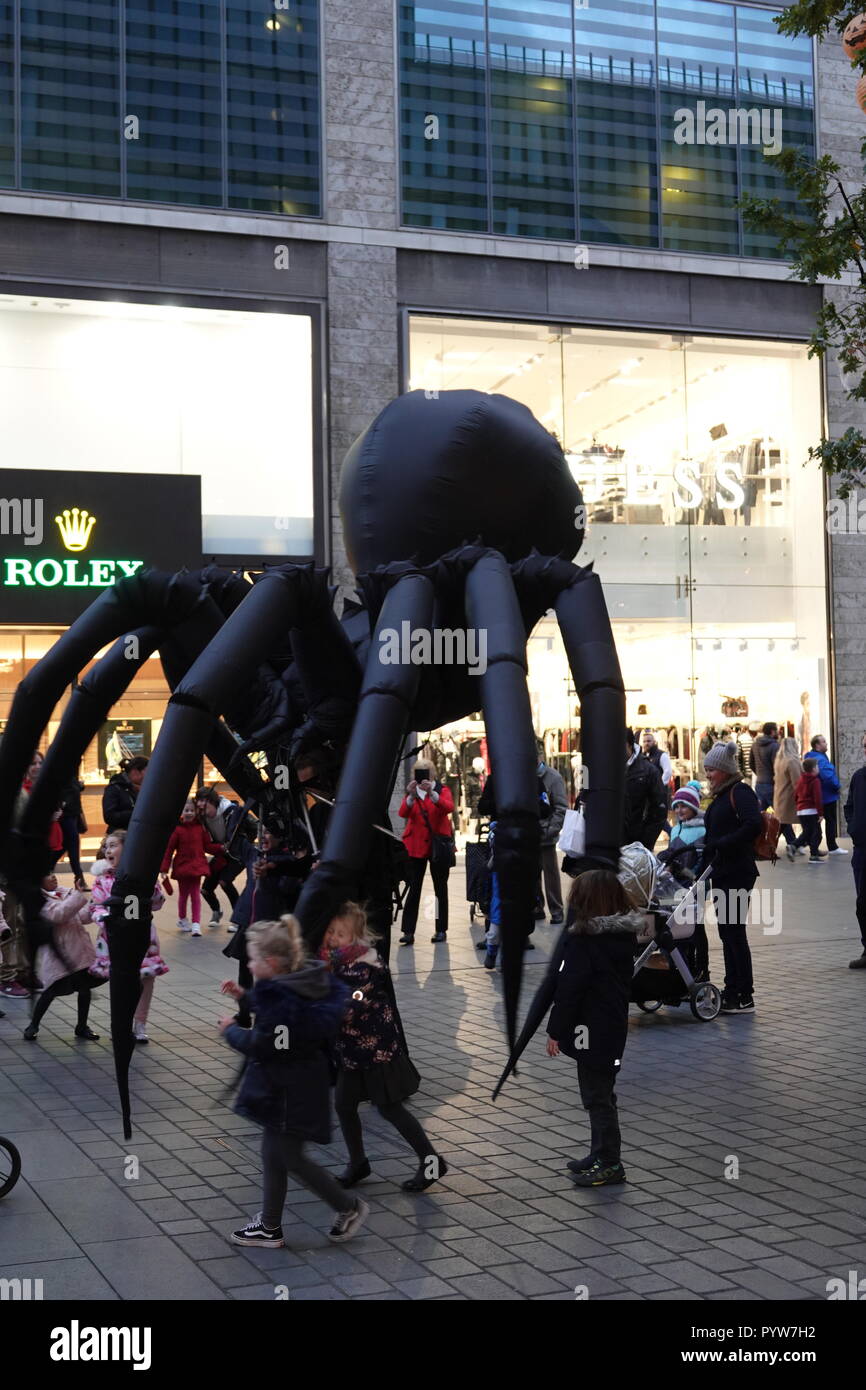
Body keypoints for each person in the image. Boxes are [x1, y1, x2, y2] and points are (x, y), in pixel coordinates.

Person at [219, 916, 368, 1248]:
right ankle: (269, 1226)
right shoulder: (296, 984)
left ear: (271, 963)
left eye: (253, 958)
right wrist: (245, 997)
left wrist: (230, 1029)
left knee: (290, 1157)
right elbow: (284, 1016)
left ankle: (348, 1206)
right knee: (275, 1154)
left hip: (289, 1089)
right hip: (295, 1084)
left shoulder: (281, 996)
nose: (248, 962)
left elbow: (267, 1043)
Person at [319, 902, 447, 1191]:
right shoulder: (336, 961)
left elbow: (353, 997)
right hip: (352, 1050)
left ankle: (430, 1160)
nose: (333, 938)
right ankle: (358, 1162)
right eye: (331, 932)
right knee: (343, 1104)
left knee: (390, 1108)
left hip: (375, 1049)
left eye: (340, 934)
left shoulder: (365, 962)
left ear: (357, 935)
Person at [546, 869, 645, 1188]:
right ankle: (600, 1152)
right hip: (611, 1026)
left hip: (590, 1028)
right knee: (601, 1094)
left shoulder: (584, 939)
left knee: (597, 1097)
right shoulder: (622, 933)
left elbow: (570, 987)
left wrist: (555, 1030)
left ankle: (610, 1163)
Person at [699, 741, 762, 1014]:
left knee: (734, 933)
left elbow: (754, 824)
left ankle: (744, 994)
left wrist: (723, 843)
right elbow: (713, 839)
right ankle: (732, 988)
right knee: (727, 932)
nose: (708, 774)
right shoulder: (722, 795)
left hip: (738, 873)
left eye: (711, 769)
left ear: (724, 770)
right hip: (723, 873)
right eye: (707, 769)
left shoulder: (741, 791)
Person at [88, 829, 167, 1043]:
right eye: (106, 846)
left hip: (142, 934)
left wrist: (151, 887)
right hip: (114, 937)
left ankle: (140, 1023)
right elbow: (95, 907)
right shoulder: (102, 879)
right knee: (122, 981)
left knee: (146, 978)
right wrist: (106, 917)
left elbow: (157, 903)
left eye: (113, 845)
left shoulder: (143, 873)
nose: (108, 850)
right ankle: (121, 1025)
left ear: (128, 848)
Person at [23, 875, 105, 1042]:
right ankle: (33, 1025)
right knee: (50, 992)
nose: (53, 876)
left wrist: (95, 905)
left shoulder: (65, 894)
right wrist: (77, 897)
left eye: (52, 872)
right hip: (59, 957)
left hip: (80, 953)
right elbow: (58, 915)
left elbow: (81, 917)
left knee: (84, 989)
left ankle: (82, 1026)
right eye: (47, 874)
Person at [398, 757, 454, 945]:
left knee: (440, 889)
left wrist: (432, 793)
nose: (423, 778)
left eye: (426, 773)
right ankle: (408, 931)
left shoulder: (441, 790)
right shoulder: (413, 793)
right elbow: (402, 813)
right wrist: (411, 796)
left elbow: (448, 807)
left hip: (437, 846)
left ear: (432, 775)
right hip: (415, 847)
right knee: (413, 889)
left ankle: (440, 929)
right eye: (419, 773)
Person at [160, 799, 221, 937]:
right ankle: (182, 919)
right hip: (183, 867)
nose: (189, 813)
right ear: (181, 812)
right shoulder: (177, 830)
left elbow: (207, 846)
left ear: (196, 812)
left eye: (192, 811)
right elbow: (169, 850)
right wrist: (164, 868)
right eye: (186, 810)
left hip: (196, 866)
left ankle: (195, 924)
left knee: (195, 895)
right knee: (183, 895)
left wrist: (221, 849)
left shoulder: (201, 829)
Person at [196, 789, 242, 928]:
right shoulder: (203, 817)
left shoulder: (230, 811)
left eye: (204, 802)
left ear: (213, 802)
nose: (201, 805)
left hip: (237, 852)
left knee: (225, 881)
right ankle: (217, 911)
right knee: (205, 889)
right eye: (199, 801)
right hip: (221, 853)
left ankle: (238, 918)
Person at [536, 743, 568, 926]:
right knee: (532, 874)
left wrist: (551, 830)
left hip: (546, 834)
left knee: (551, 874)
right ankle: (537, 907)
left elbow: (561, 807)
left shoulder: (553, 777)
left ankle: (556, 910)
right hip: (530, 833)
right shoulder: (526, 776)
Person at [844, 733, 866, 969]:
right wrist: (854, 828)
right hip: (862, 851)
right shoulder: (859, 777)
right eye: (864, 746)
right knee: (863, 904)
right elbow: (849, 806)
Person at [624, 729, 667, 850]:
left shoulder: (648, 770)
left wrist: (644, 844)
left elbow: (659, 810)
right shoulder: (604, 766)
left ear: (629, 745)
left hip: (636, 844)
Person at [808, 735, 846, 856]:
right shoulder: (821, 759)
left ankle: (811, 848)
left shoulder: (811, 757)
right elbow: (828, 776)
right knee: (831, 821)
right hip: (827, 795)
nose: (826, 743)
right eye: (824, 742)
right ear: (817, 745)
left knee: (817, 822)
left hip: (818, 796)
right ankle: (832, 847)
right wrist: (837, 786)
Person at [773, 737, 804, 861]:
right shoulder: (792, 761)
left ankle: (770, 848)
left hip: (780, 797)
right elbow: (798, 782)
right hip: (790, 798)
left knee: (782, 825)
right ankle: (802, 846)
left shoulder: (779, 760)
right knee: (810, 825)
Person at [101, 756, 148, 832]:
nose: (148, 776)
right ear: (135, 771)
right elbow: (109, 816)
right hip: (120, 836)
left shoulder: (142, 788)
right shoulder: (114, 788)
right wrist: (137, 813)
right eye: (146, 772)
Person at [795, 757, 825, 864]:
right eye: (817, 766)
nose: (818, 768)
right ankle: (813, 855)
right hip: (811, 811)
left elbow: (796, 794)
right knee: (816, 833)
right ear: (813, 769)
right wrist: (820, 813)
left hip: (801, 810)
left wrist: (798, 807)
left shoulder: (801, 779)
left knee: (809, 832)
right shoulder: (815, 781)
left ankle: (814, 851)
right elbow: (817, 798)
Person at [749, 722, 779, 811]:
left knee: (760, 815)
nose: (778, 732)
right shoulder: (775, 746)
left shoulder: (755, 745)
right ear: (773, 732)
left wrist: (759, 773)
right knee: (781, 816)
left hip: (759, 784)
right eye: (777, 730)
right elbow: (777, 767)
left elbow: (751, 763)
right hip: (772, 784)